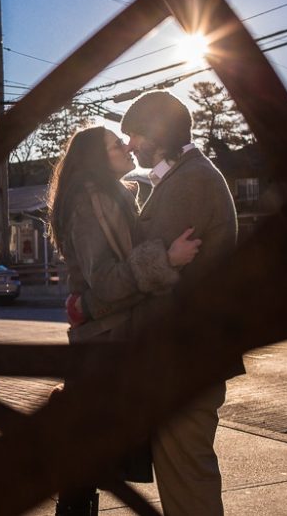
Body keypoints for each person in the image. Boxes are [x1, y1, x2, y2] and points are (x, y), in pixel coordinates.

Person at [47, 125, 201, 515]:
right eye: (116, 145)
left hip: (109, 341)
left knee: (88, 462)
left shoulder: (115, 196)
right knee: (85, 463)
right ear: (98, 158)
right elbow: (108, 282)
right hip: (105, 348)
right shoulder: (90, 202)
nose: (126, 147)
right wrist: (165, 260)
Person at [119, 90, 241, 516]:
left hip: (186, 356)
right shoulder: (180, 178)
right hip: (185, 354)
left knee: (188, 478)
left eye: (134, 134)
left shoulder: (191, 183)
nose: (130, 144)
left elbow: (143, 260)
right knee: (182, 474)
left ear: (159, 132)